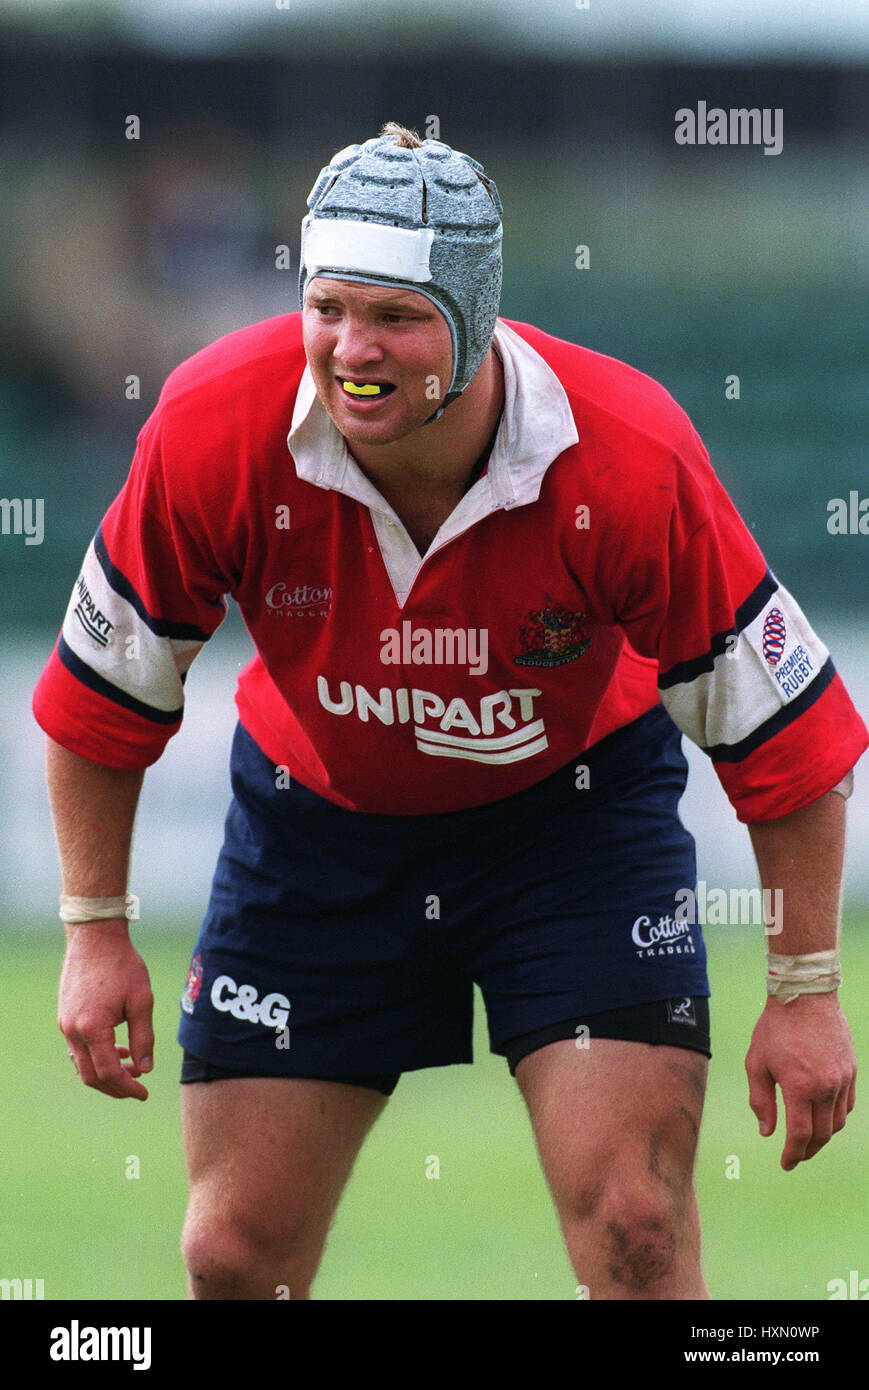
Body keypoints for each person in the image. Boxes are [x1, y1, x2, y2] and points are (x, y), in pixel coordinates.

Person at [35, 122, 867, 1301]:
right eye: (327, 307)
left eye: (395, 316)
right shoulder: (212, 422)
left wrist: (804, 994)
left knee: (634, 1230)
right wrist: (94, 929)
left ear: (474, 319)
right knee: (230, 1258)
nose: (350, 351)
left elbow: (785, 740)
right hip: (313, 833)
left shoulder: (626, 453)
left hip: (571, 832)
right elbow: (99, 699)